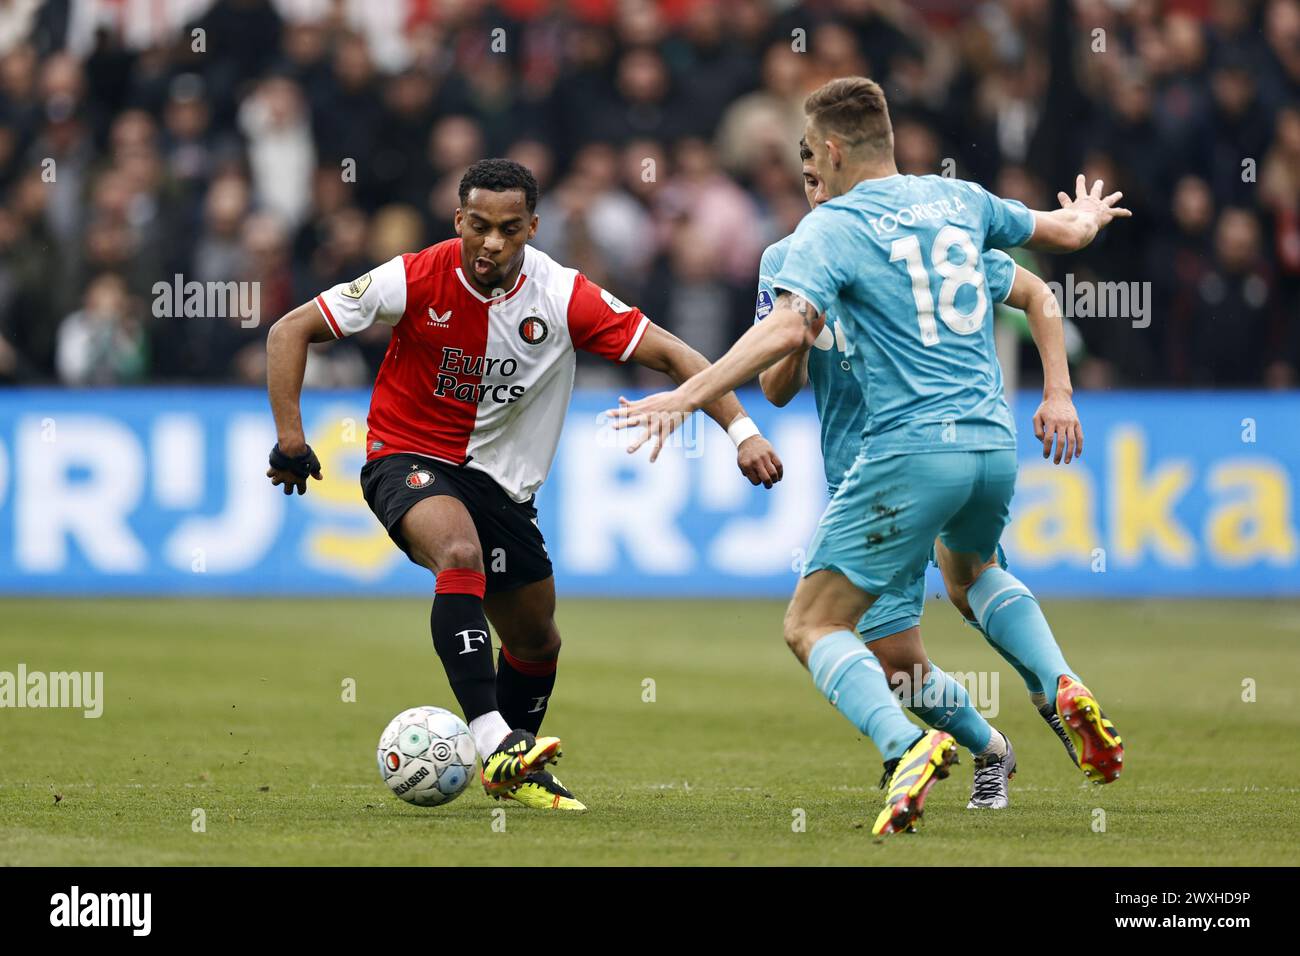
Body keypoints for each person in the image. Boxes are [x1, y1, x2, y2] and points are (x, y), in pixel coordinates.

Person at [611, 77, 1128, 836]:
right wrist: (1084, 225)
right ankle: (1041, 702)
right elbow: (783, 384)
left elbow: (784, 333)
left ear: (829, 152)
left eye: (811, 167)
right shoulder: (949, 207)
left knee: (813, 626)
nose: (810, 184)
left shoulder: (827, 234)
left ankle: (909, 747)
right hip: (985, 443)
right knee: (950, 599)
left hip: (895, 463)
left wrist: (689, 396)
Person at [265, 158, 783, 811]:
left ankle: (514, 767)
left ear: (532, 228)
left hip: (504, 488)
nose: (491, 242)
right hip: (407, 455)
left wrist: (743, 432)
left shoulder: (563, 296)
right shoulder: (412, 276)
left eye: (509, 229)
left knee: (537, 639)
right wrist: (291, 439)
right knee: (459, 553)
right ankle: (493, 737)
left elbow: (677, 355)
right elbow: (290, 330)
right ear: (458, 219)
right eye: (478, 226)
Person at [755, 140, 1084, 812]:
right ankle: (994, 745)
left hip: (924, 452)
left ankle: (1029, 698)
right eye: (808, 182)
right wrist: (801, 333)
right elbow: (776, 389)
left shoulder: (919, 236)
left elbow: (1030, 291)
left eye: (825, 177)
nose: (819, 192)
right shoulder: (787, 260)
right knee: (899, 661)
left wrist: (1058, 388)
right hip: (866, 477)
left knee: (941, 590)